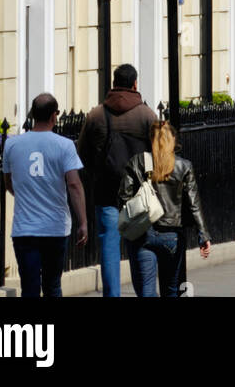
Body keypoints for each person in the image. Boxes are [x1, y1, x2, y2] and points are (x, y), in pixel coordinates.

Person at [77, 62, 158, 297]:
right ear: (135, 84)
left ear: (113, 83)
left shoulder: (96, 115)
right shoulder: (147, 116)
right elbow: (161, 156)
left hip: (106, 191)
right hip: (139, 194)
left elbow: (82, 155)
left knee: (110, 248)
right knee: (140, 246)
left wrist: (96, 175)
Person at [3, 92, 87, 298]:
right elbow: (74, 185)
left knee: (29, 288)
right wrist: (83, 222)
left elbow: (9, 183)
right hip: (55, 228)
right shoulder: (64, 145)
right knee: (52, 286)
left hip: (25, 229)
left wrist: (26, 195)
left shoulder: (11, 144)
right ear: (54, 116)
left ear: (32, 115)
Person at [119, 120, 211, 296]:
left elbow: (124, 196)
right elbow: (194, 204)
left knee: (146, 291)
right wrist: (203, 235)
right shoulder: (184, 166)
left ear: (150, 139)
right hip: (172, 236)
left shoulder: (137, 162)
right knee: (172, 290)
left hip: (143, 233)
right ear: (173, 140)